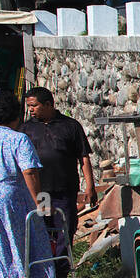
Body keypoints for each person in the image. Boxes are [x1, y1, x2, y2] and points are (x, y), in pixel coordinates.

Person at [0, 91, 55, 278]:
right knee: (14, 242)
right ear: (16, 117)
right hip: (9, 197)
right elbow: (29, 172)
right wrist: (40, 201)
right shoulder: (17, 138)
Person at [22, 86, 96, 253]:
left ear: (48, 104)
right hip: (40, 191)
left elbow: (83, 157)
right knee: (43, 229)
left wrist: (90, 186)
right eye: (29, 106)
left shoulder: (70, 126)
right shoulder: (26, 129)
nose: (31, 110)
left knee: (66, 228)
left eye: (34, 106)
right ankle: (48, 270)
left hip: (64, 190)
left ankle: (62, 271)